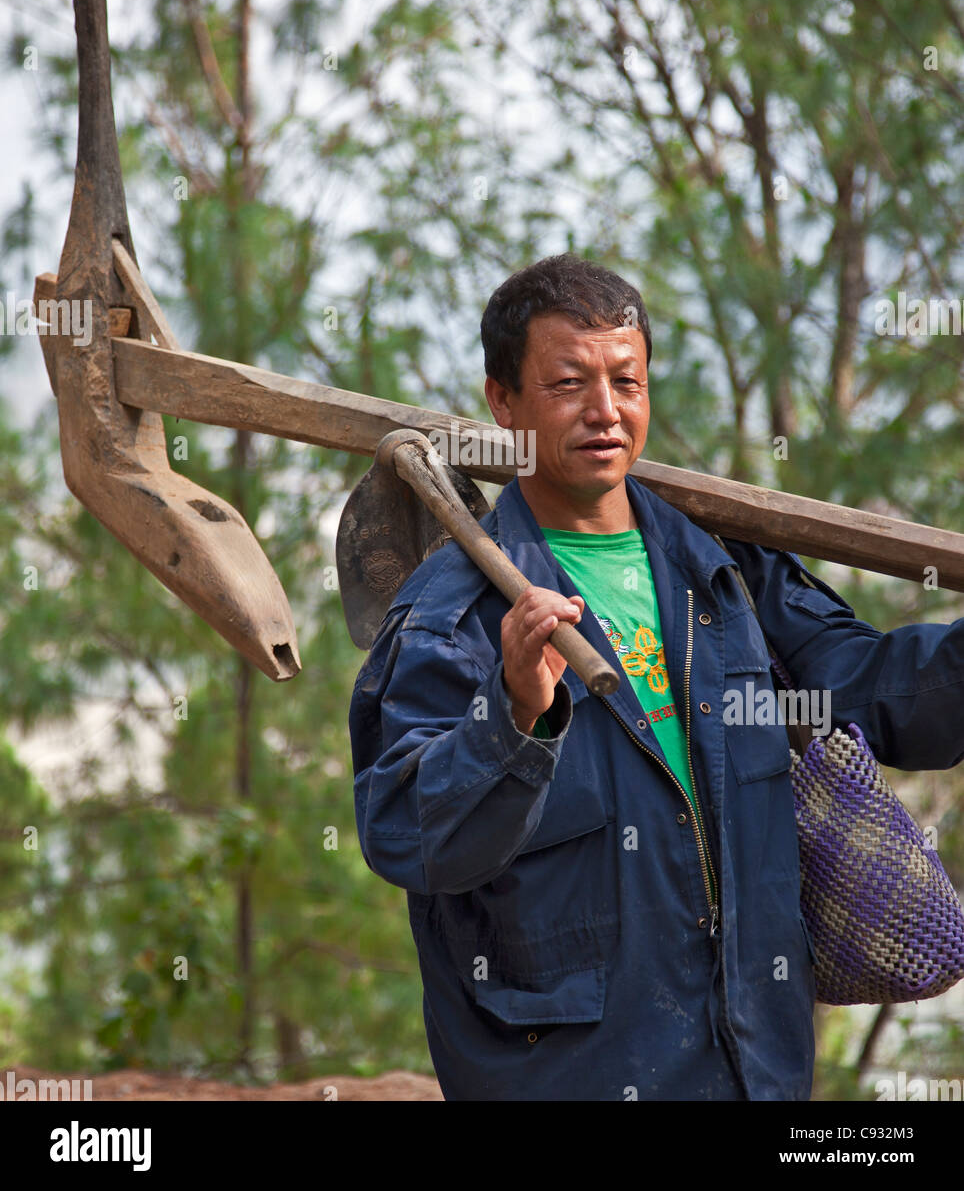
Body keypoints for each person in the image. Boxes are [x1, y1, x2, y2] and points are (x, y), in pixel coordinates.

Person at [348, 253, 964, 1101]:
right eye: (568, 383)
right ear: (503, 401)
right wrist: (514, 715)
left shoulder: (724, 572)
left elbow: (875, 691)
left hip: (756, 1070)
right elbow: (406, 832)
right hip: (571, 1077)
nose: (605, 411)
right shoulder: (453, 614)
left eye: (626, 382)